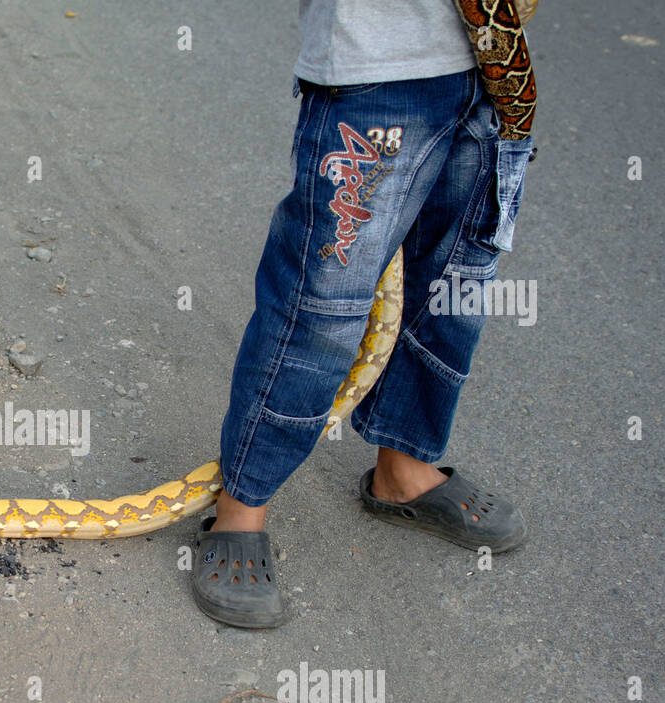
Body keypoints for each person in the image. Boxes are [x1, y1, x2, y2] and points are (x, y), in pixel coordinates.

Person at [192, 0, 536, 628]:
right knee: (321, 309)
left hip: (490, 74)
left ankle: (403, 469)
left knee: (454, 289)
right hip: (375, 71)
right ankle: (239, 509)